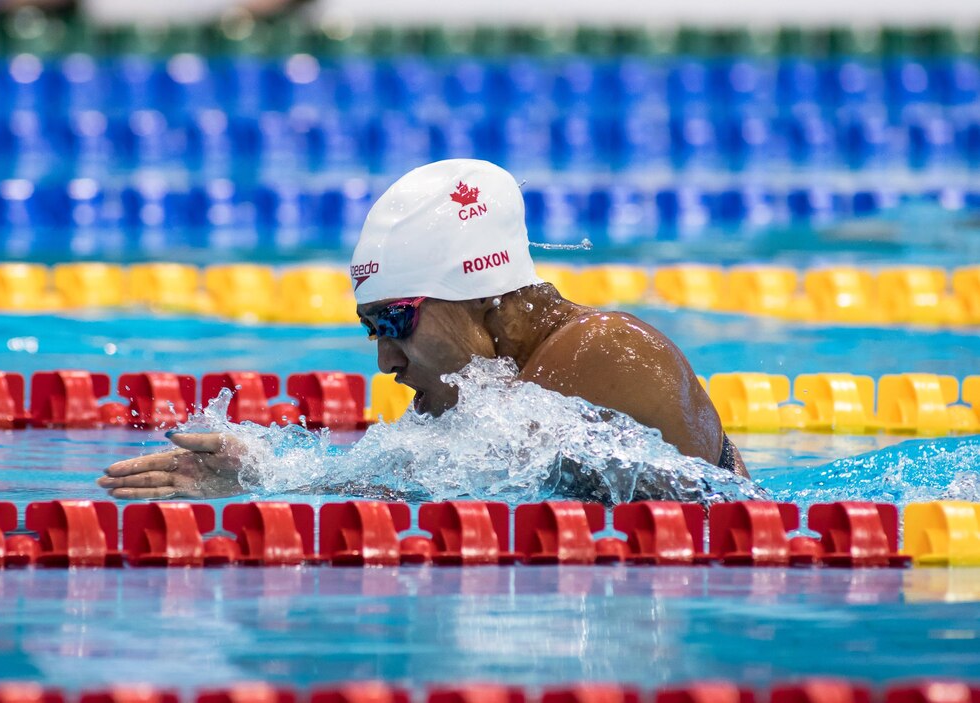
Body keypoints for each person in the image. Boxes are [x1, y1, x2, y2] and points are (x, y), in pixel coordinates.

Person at [99, 159, 746, 500]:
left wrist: (287, 486)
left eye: (394, 320)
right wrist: (262, 477)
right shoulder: (512, 383)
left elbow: (462, 481)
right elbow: (439, 476)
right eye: (371, 328)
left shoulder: (604, 350)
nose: (386, 361)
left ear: (481, 298)